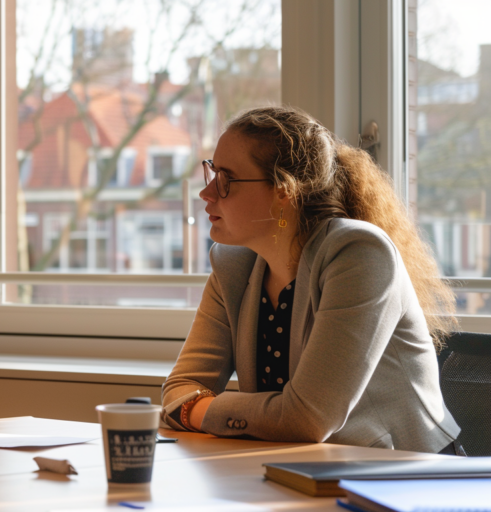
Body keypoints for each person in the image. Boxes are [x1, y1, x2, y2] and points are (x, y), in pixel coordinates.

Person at [161, 106, 462, 454]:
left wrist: (193, 409)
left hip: (404, 478)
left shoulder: (359, 253)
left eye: (226, 180)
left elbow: (309, 418)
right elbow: (181, 385)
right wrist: (192, 404)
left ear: (283, 191)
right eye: (211, 173)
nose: (207, 193)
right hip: (301, 467)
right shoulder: (233, 265)